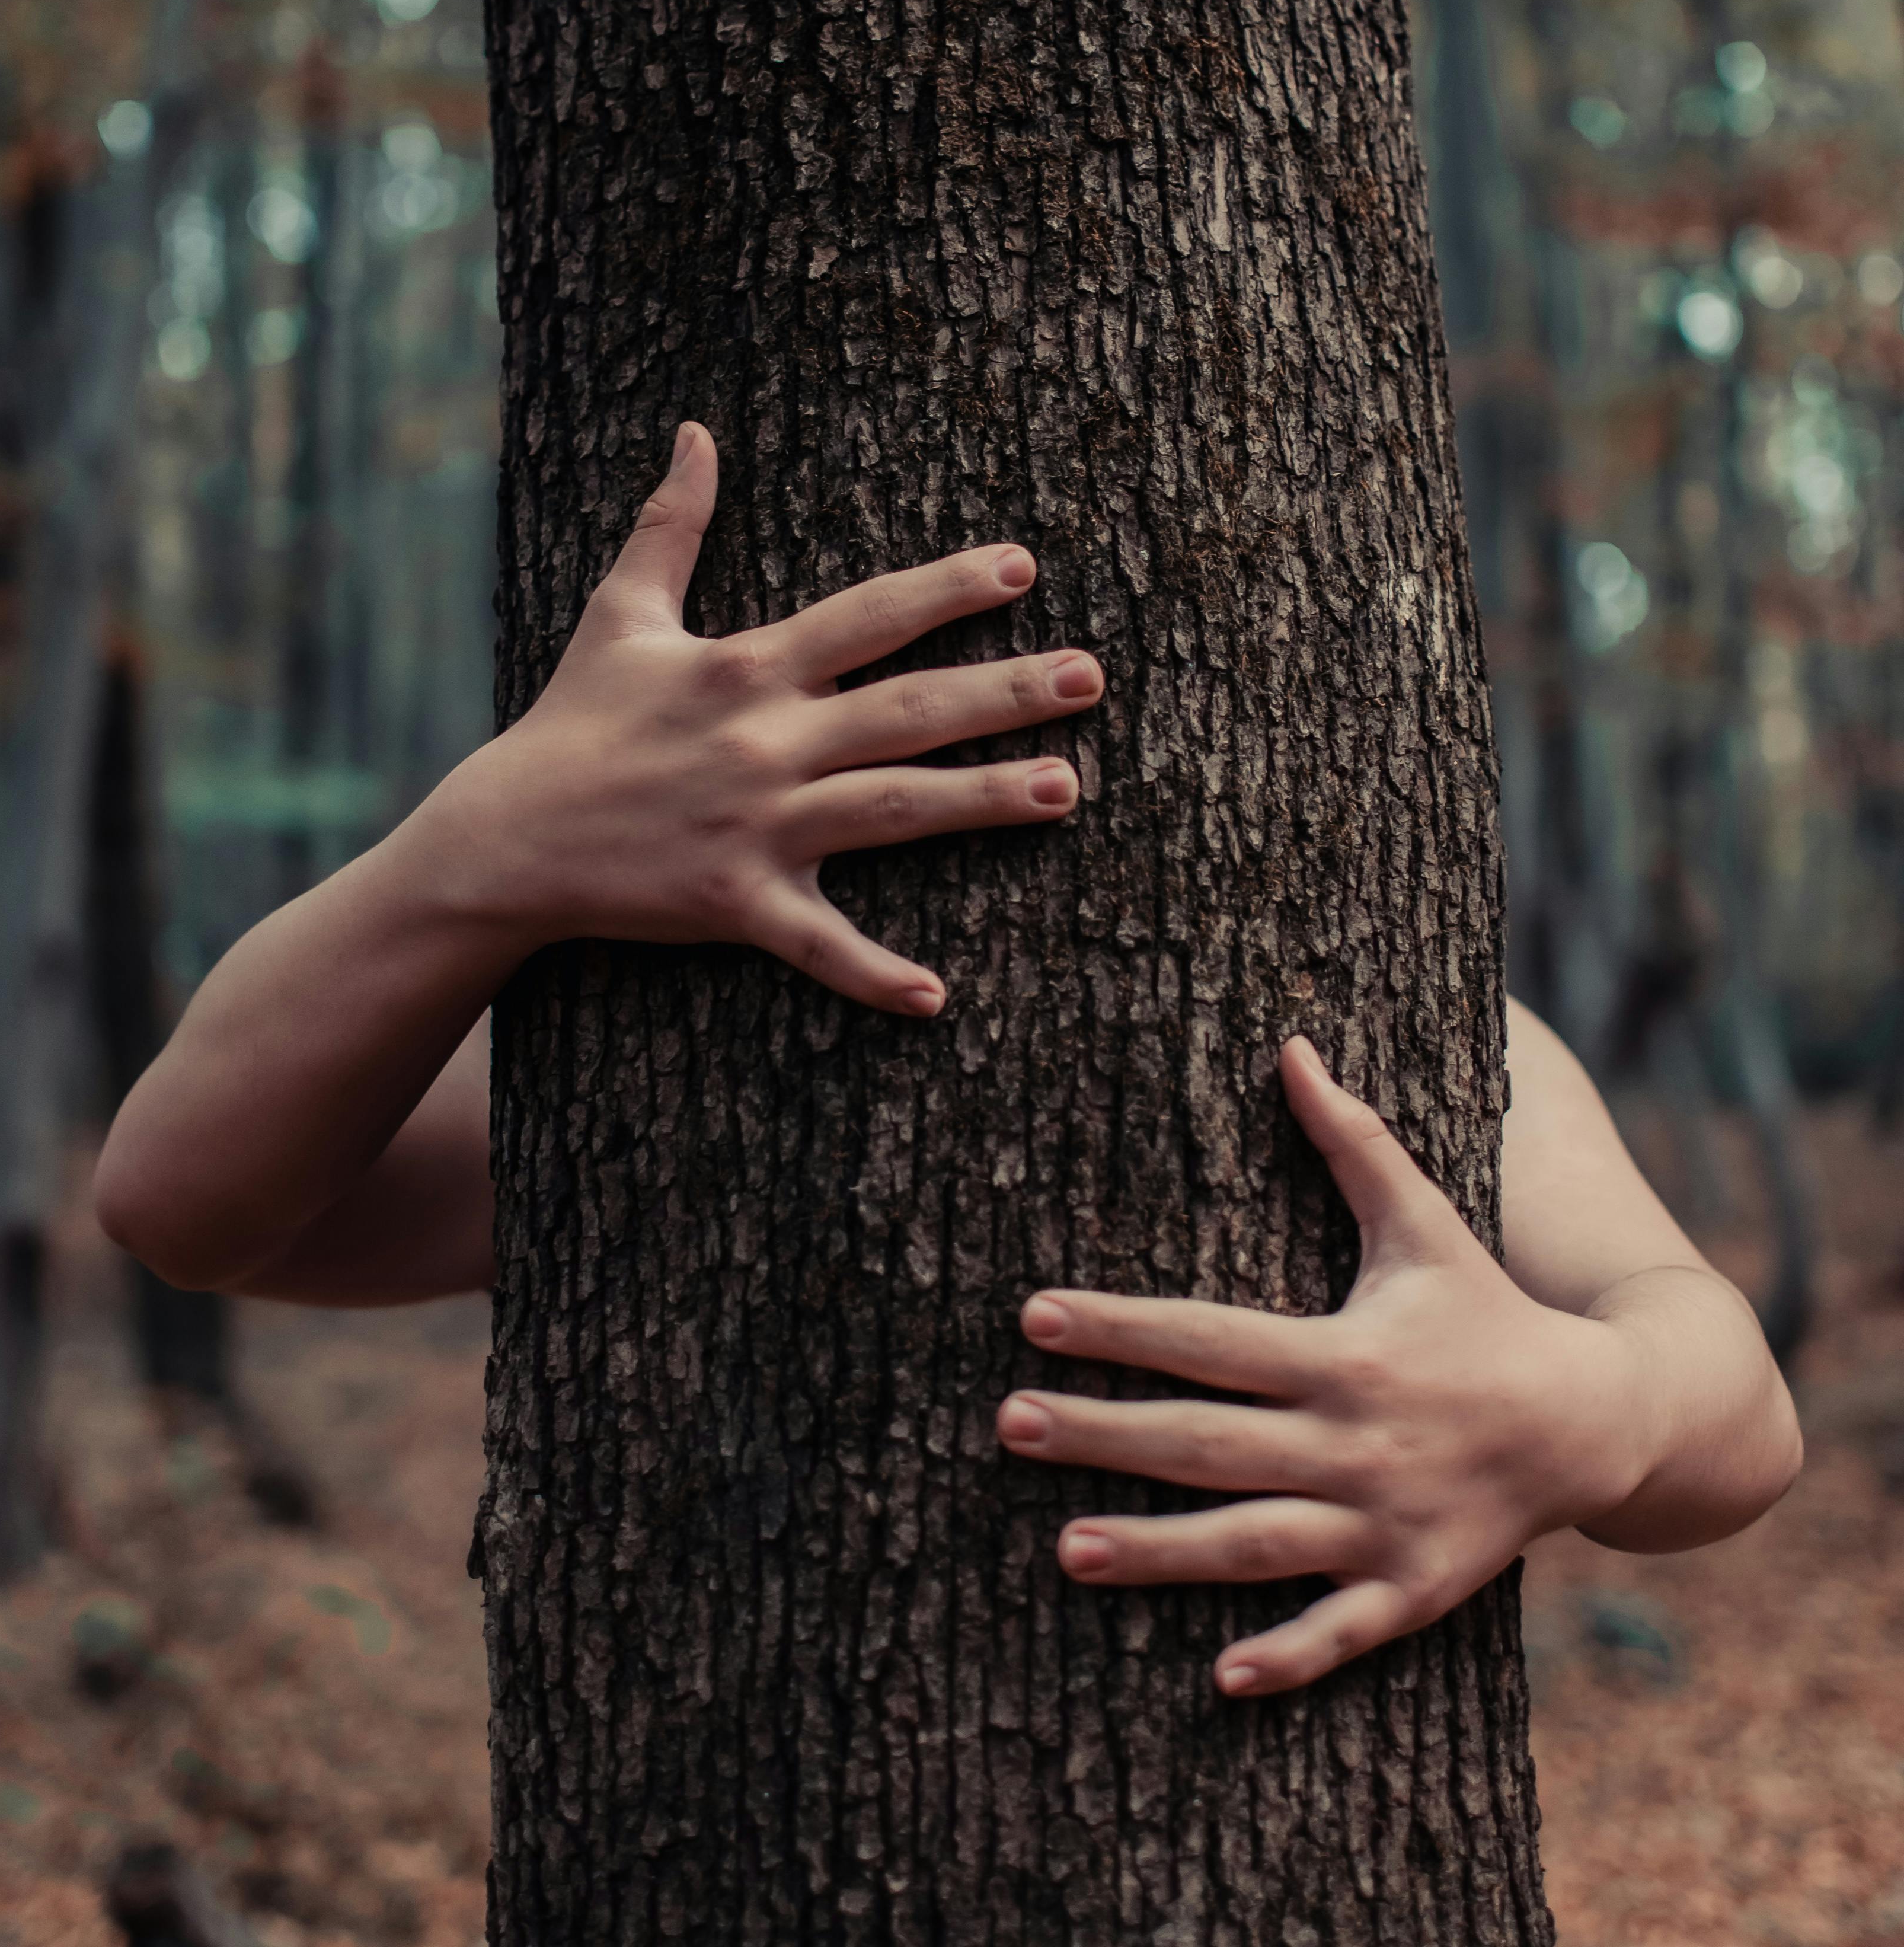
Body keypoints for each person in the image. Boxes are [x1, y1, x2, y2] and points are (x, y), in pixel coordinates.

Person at [96, 427, 1802, 1699]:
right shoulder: (675, 1021)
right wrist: (474, 851)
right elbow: (191, 1200)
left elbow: (1734, 1403)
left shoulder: (1424, 1044)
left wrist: (1594, 1405)